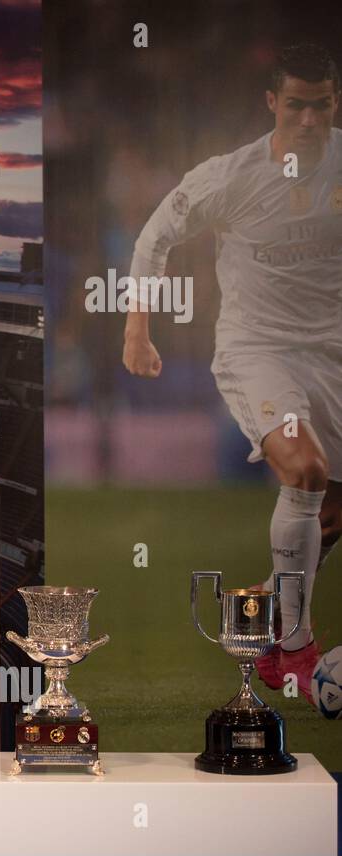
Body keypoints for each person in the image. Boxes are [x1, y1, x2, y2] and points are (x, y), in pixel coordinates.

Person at [123, 44, 342, 702]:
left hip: (332, 352)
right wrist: (137, 329)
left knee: (330, 513)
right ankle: (297, 647)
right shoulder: (231, 177)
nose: (309, 119)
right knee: (305, 469)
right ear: (272, 103)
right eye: (296, 105)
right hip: (258, 351)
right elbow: (155, 237)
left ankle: (266, 621)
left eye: (322, 105)